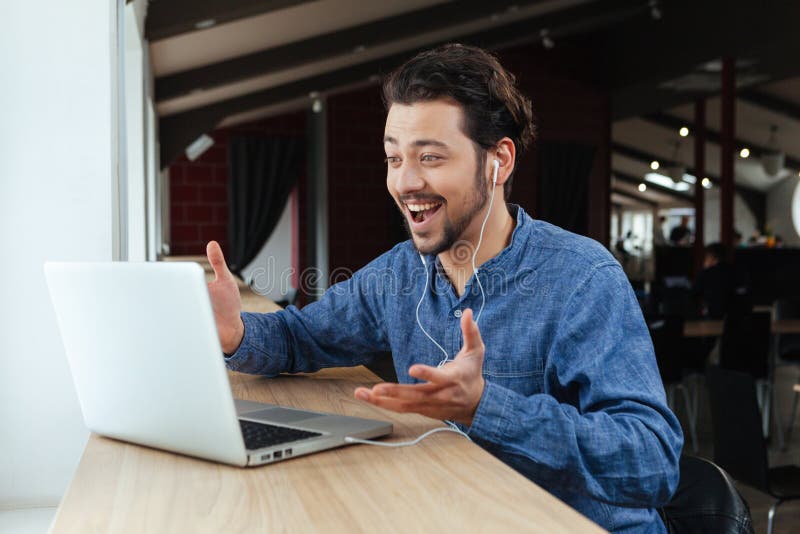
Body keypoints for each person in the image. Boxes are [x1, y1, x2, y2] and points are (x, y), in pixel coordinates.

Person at [206, 44, 682, 533]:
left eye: (430, 157)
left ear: (499, 161)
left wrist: (485, 407)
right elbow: (299, 338)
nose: (405, 182)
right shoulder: (400, 274)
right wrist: (235, 335)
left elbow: (652, 461)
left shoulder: (582, 278)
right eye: (393, 158)